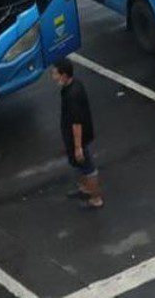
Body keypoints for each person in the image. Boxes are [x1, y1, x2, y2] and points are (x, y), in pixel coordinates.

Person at [52, 58, 103, 209]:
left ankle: (96, 198)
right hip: (75, 137)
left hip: (78, 138)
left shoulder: (71, 95)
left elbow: (76, 123)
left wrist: (78, 146)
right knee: (81, 166)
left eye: (55, 74)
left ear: (64, 75)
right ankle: (85, 189)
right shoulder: (74, 85)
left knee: (88, 169)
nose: (53, 77)